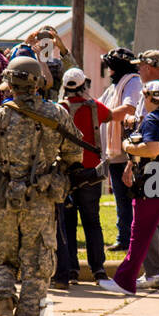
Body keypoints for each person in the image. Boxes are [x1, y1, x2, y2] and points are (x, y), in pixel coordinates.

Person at [0, 56, 80, 316]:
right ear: (38, 82)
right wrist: (56, 180)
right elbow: (74, 156)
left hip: (2, 201)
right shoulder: (56, 115)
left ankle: (4, 310)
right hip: (40, 204)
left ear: (10, 83)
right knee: (37, 266)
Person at [100, 79, 159, 298]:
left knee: (139, 234)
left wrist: (127, 146)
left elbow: (153, 149)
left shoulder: (154, 118)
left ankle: (125, 281)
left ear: (149, 97)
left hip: (154, 187)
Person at [51, 68, 129, 290]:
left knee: (67, 224)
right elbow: (114, 115)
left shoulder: (59, 110)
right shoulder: (95, 107)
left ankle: (72, 270)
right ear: (83, 85)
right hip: (91, 174)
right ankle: (98, 270)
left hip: (65, 174)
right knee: (92, 222)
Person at [98, 47, 144, 252]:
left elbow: (129, 110)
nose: (109, 70)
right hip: (115, 152)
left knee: (127, 197)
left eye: (110, 66)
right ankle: (124, 237)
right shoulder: (116, 85)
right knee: (120, 197)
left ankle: (128, 239)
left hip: (126, 153)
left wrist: (103, 117)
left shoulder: (132, 82)